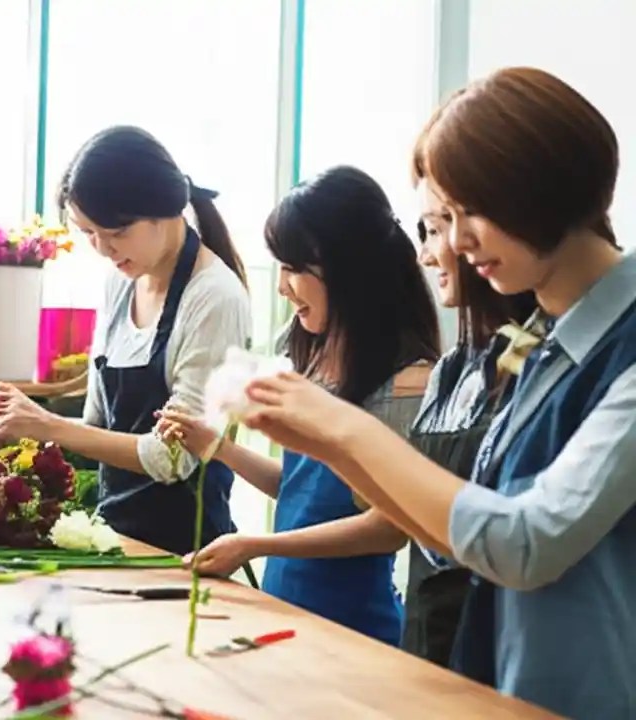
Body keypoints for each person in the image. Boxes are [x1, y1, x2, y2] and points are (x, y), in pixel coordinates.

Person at [237, 67, 633, 719]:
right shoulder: (538, 343)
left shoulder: (616, 345)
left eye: (469, 211)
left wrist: (344, 430)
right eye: (443, 218)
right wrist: (324, 441)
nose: (451, 243)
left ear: (550, 187)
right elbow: (451, 537)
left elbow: (526, 545)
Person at [158, 165, 441, 647]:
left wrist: (256, 544)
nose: (282, 286)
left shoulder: (410, 383)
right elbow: (301, 491)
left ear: (346, 271)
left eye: (292, 269)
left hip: (354, 633)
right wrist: (217, 448)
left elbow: (386, 527)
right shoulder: (314, 366)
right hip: (287, 615)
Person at [0, 125, 252, 556]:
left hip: (188, 557)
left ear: (164, 211)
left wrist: (47, 424)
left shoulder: (214, 297)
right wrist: (20, 435)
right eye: (87, 232)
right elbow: (97, 426)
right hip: (117, 542)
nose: (102, 248)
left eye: (116, 232)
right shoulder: (121, 283)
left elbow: (173, 458)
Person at [400, 164, 537, 665]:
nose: (432, 250)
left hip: (490, 652)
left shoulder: (534, 369)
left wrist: (340, 433)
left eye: (437, 229)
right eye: (431, 229)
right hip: (423, 639)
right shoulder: (451, 369)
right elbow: (413, 522)